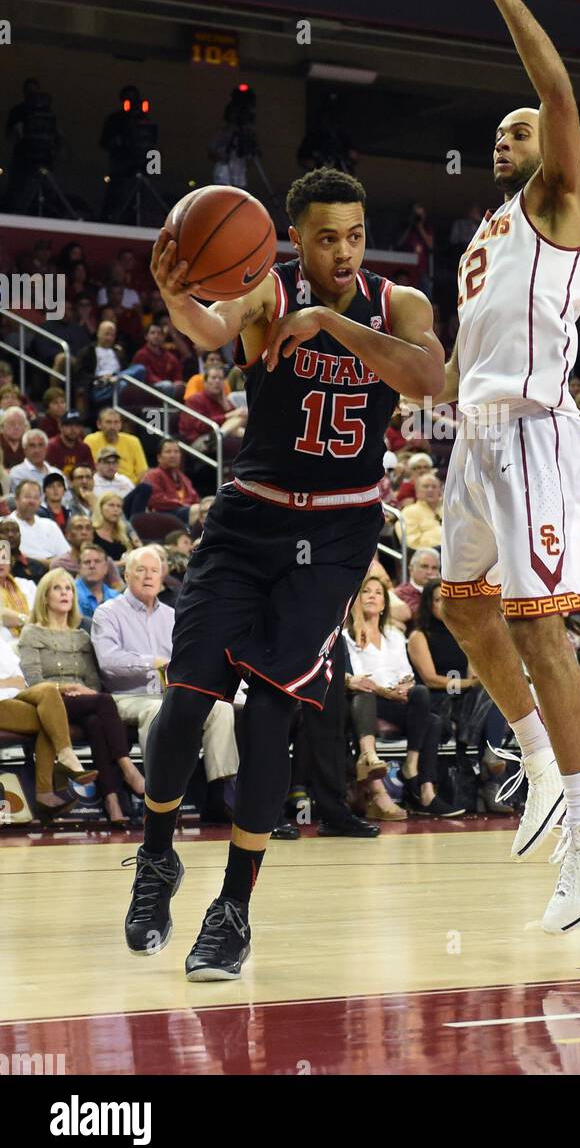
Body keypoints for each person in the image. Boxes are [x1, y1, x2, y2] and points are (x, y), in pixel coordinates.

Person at [121, 166, 444, 980]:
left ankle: (232, 910)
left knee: (270, 716)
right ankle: (157, 855)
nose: (343, 252)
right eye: (326, 237)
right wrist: (175, 296)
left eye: (356, 236)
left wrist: (333, 327)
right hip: (251, 518)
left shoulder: (397, 306)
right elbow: (209, 325)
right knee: (187, 698)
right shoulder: (267, 291)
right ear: (294, 238)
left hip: (335, 536)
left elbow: (427, 378)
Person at [432, 0, 580, 936]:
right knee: (460, 606)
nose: (503, 139)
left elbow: (555, 88)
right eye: (496, 134)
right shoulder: (485, 234)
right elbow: (457, 357)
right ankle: (548, 762)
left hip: (537, 431)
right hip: (474, 434)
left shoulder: (559, 198)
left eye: (514, 128)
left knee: (536, 622)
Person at [93, 546, 238, 816]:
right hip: (128, 697)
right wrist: (153, 662)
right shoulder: (108, 613)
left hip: (170, 693)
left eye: (154, 571)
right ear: (126, 575)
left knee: (221, 709)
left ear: (162, 577)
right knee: (156, 712)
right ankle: (159, 795)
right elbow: (109, 663)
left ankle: (221, 791)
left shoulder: (173, 615)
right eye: (141, 570)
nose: (148, 576)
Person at [19, 570, 146, 825]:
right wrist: (67, 688)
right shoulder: (32, 633)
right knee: (104, 702)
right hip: (49, 701)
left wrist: (86, 692)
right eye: (57, 588)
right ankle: (128, 768)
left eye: (68, 588)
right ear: (45, 596)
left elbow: (92, 681)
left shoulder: (81, 636)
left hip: (85, 702)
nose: (65, 592)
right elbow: (34, 680)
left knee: (96, 722)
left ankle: (112, 801)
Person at [344, 576, 460, 820]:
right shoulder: (347, 638)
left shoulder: (394, 636)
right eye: (366, 591)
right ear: (357, 600)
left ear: (385, 604)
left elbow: (407, 674)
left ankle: (418, 776)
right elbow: (357, 679)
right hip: (369, 701)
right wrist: (384, 690)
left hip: (398, 699)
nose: (373, 595)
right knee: (431, 720)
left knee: (422, 698)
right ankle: (420, 787)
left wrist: (403, 687)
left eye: (378, 592)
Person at [406, 577, 512, 807]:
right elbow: (430, 679)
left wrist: (475, 682)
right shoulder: (419, 636)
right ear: (428, 604)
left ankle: (487, 758)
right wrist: (468, 685)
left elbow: (474, 672)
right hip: (437, 700)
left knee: (493, 690)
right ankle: (489, 768)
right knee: (487, 690)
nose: (443, 605)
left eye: (447, 600)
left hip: (463, 699)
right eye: (437, 600)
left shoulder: (463, 634)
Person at [0, 634, 98, 821]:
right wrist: (10, 682)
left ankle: (65, 757)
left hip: (16, 694)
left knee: (48, 691)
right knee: (52, 720)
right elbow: (13, 680)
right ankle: (47, 789)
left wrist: (11, 683)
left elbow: (20, 680)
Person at [11, 480, 70, 567]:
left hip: (54, 573)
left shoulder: (50, 525)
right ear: (16, 499)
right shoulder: (4, 524)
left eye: (36, 498)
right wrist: (46, 563)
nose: (32, 501)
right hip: (21, 571)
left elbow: (66, 555)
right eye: (27, 497)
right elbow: (10, 557)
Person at [85, 408, 148, 486]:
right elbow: (86, 470)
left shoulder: (133, 441)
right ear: (99, 424)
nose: (112, 427)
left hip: (128, 488)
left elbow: (142, 472)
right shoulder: (90, 440)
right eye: (108, 422)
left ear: (120, 425)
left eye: (116, 422)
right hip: (100, 486)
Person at [141, 439, 200, 520]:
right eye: (168, 452)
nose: (173, 455)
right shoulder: (152, 475)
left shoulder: (183, 477)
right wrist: (183, 504)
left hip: (185, 511)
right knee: (198, 511)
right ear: (159, 457)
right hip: (163, 515)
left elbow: (195, 497)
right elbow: (156, 500)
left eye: (176, 452)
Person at [397, 471, 443, 549]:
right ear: (417, 491)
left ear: (440, 492)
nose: (430, 490)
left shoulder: (447, 511)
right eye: (425, 486)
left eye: (434, 487)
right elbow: (412, 544)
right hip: (428, 554)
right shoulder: (409, 512)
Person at [75, 541, 119, 622]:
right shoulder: (70, 593)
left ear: (106, 568)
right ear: (79, 568)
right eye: (87, 562)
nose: (92, 566)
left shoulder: (116, 597)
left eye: (97, 561)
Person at [92, 490, 140, 562]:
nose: (116, 509)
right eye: (111, 505)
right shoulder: (91, 533)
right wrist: (122, 563)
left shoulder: (124, 533)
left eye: (119, 506)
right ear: (100, 508)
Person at [47, 411, 95, 480]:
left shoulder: (84, 448)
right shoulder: (51, 446)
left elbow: (91, 472)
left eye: (77, 426)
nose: (73, 429)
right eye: (69, 425)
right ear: (60, 426)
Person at [394, 547, 440, 616]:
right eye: (424, 566)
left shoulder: (442, 592)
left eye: (434, 568)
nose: (429, 572)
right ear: (411, 569)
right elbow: (418, 616)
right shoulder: (401, 592)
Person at [8, 428, 55, 494]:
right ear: (24, 449)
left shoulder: (56, 472)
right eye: (32, 446)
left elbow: (68, 499)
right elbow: (26, 500)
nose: (37, 450)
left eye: (41, 445)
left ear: (46, 449)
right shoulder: (17, 473)